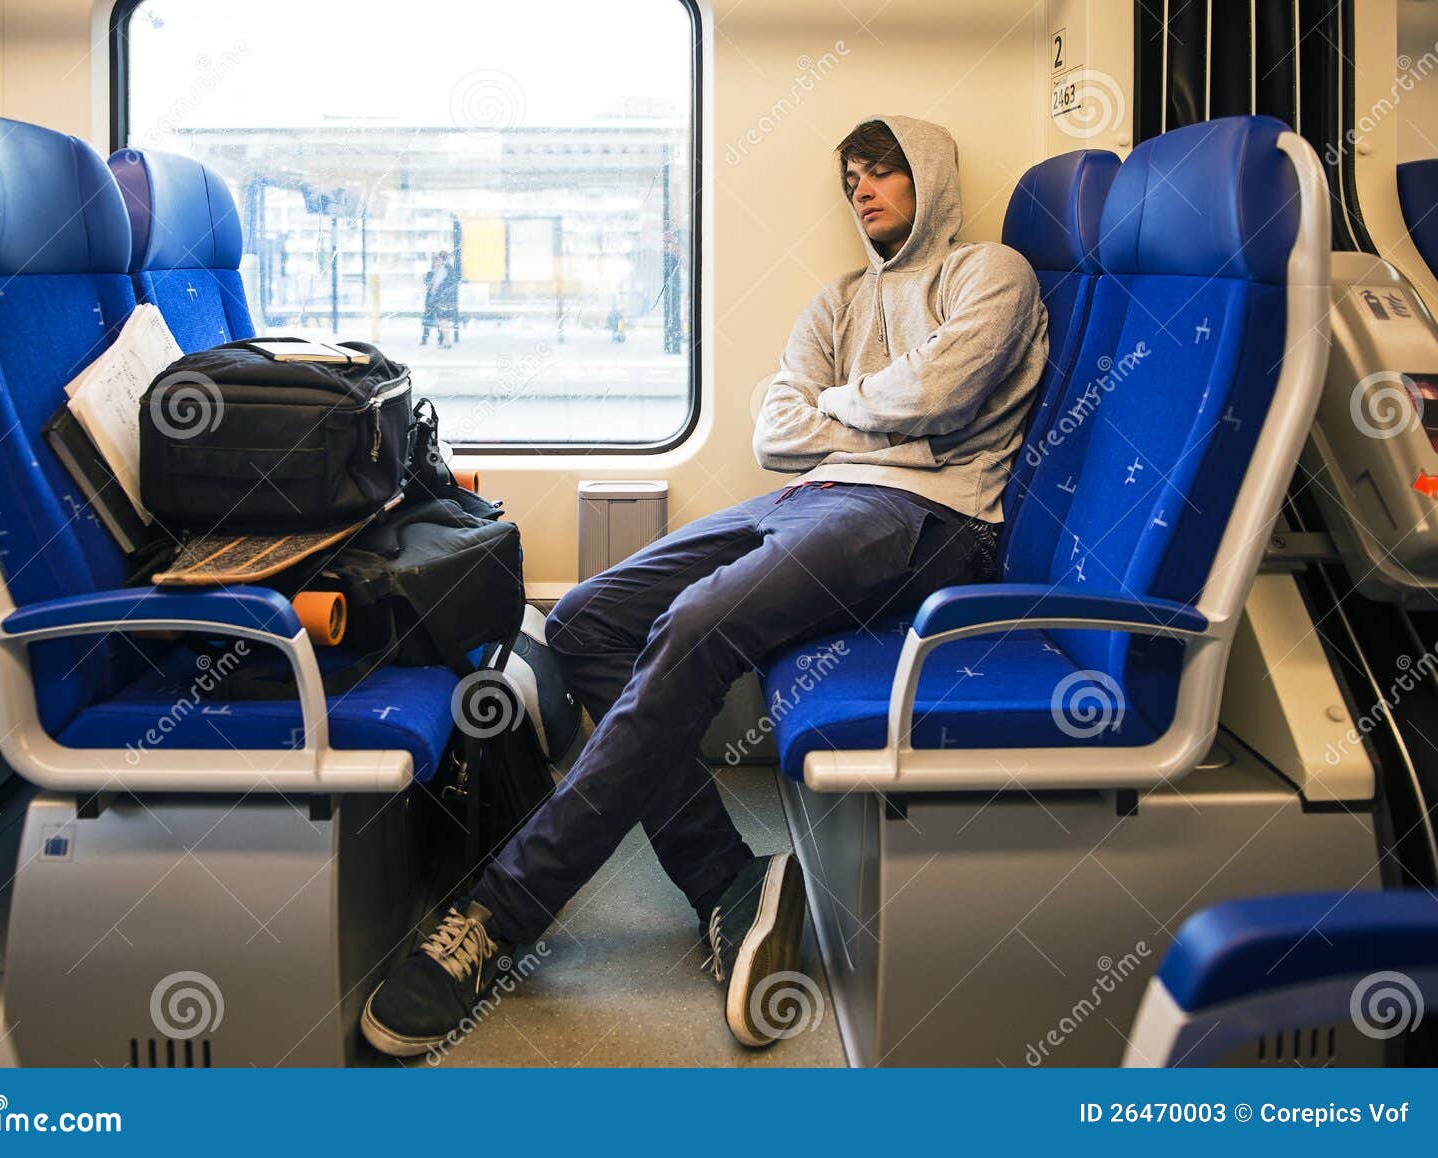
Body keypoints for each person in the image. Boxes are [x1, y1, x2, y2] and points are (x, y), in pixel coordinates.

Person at [360, 115, 1048, 1055]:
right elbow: (775, 431)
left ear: (929, 175)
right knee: (586, 619)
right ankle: (726, 877)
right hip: (815, 495)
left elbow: (941, 396)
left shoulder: (992, 273)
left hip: (929, 516)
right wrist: (873, 419)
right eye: (851, 177)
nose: (863, 189)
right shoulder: (840, 300)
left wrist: (843, 412)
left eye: (883, 171)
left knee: (692, 623)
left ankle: (501, 913)